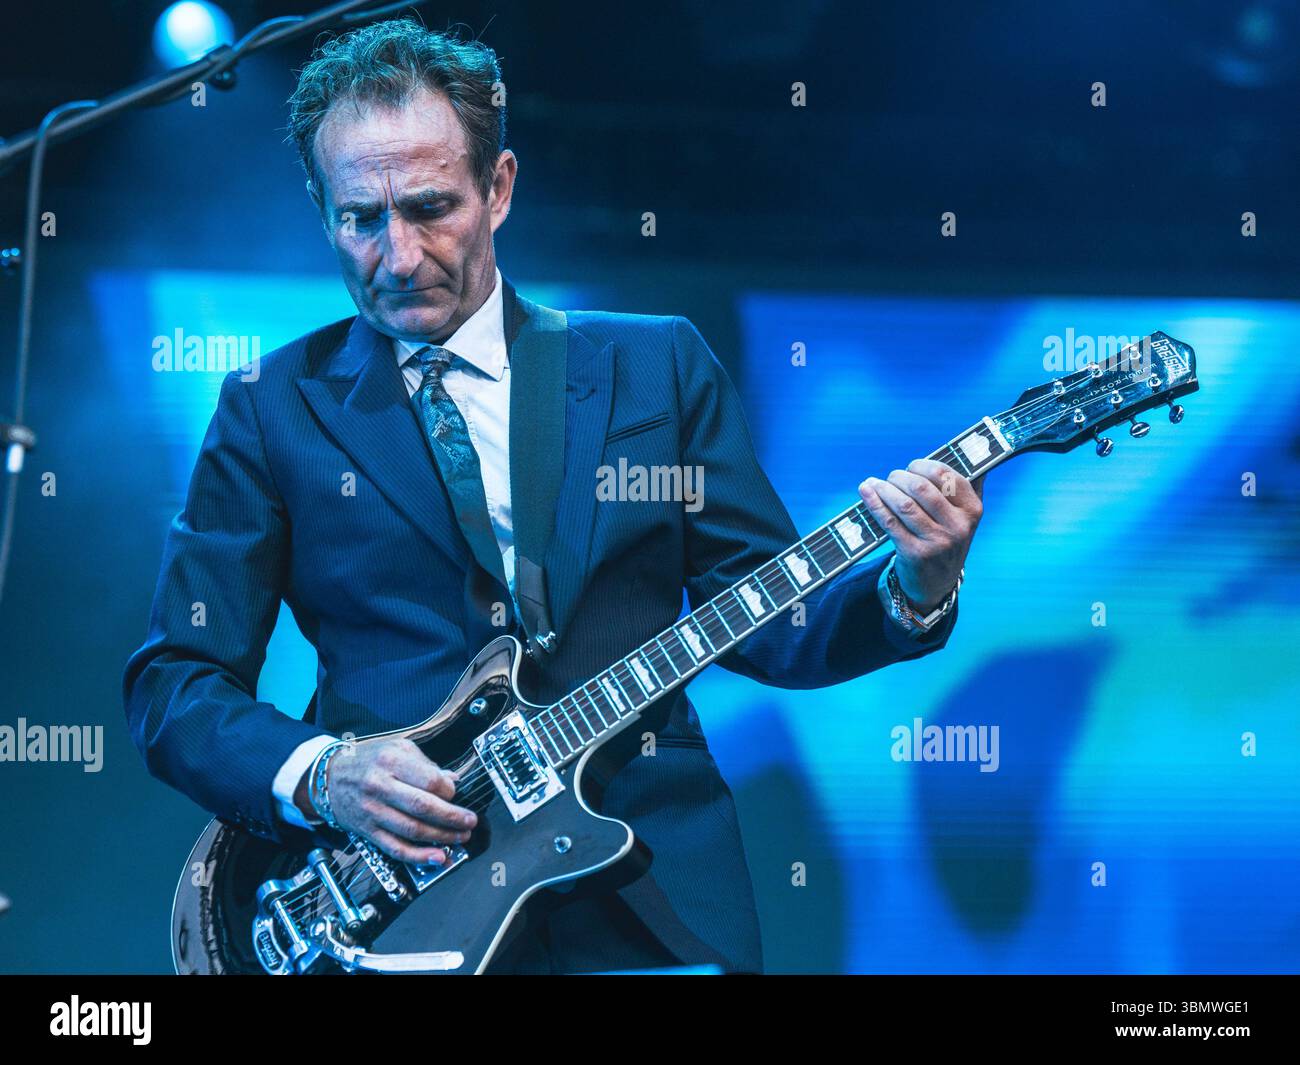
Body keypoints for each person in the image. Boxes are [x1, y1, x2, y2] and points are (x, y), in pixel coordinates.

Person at [123, 18, 982, 974]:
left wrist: (916, 585)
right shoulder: (269, 406)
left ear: (499, 189)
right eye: (361, 218)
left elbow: (774, 624)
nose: (398, 256)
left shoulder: (653, 366)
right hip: (404, 918)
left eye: (430, 207)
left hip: (652, 899)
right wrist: (325, 774)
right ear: (321, 209)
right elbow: (176, 684)